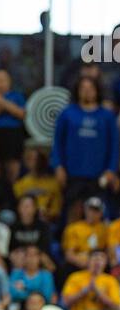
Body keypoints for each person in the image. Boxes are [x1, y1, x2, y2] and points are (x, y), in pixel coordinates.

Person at [51, 76, 120, 212]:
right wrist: (58, 166)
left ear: (97, 91)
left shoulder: (107, 116)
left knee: (97, 214)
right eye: (83, 88)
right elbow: (58, 143)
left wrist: (111, 170)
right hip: (73, 174)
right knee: (73, 212)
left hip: (99, 175)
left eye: (90, 88)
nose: (87, 92)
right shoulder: (67, 114)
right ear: (77, 90)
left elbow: (114, 146)